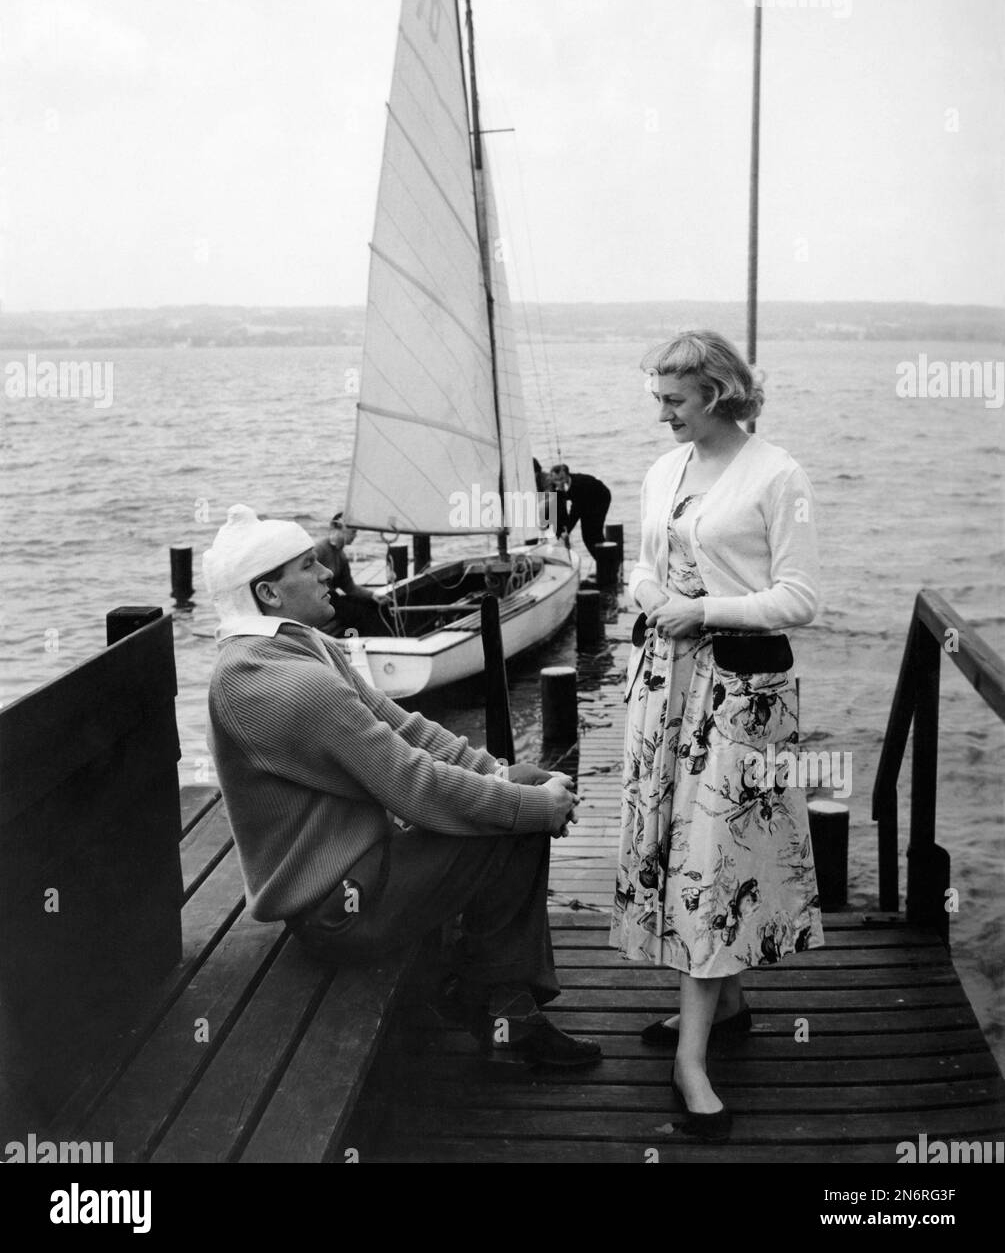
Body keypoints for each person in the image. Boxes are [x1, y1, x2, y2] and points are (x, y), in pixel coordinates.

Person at [203, 504, 602, 1069]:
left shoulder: (297, 647)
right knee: (516, 824)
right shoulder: (280, 682)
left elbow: (404, 727)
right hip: (339, 907)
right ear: (268, 593)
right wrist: (530, 806)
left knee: (517, 796)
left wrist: (498, 772)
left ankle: (494, 998)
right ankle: (504, 1011)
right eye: (309, 565)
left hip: (365, 866)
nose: (327, 573)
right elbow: (411, 784)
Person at [610, 331, 823, 1141]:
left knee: (713, 863)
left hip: (738, 692)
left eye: (674, 400)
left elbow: (799, 596)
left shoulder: (777, 476)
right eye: (656, 398)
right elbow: (639, 566)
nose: (660, 413)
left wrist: (701, 610)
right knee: (673, 847)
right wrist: (652, 594)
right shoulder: (663, 471)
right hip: (664, 684)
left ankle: (689, 1061)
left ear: (719, 394)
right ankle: (725, 1004)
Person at [314, 512, 388, 637]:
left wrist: (373, 595)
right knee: (360, 612)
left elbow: (349, 587)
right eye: (353, 531)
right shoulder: (319, 550)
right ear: (341, 529)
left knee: (372, 605)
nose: (355, 535)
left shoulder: (341, 555)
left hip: (333, 599)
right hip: (321, 601)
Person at [546, 465, 612, 560]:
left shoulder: (578, 485)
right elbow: (556, 504)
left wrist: (566, 531)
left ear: (567, 475)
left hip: (600, 498)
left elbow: (575, 512)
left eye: (561, 479)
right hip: (586, 501)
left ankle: (605, 565)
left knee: (591, 535)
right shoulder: (555, 486)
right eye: (556, 480)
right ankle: (602, 563)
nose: (559, 482)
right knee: (588, 536)